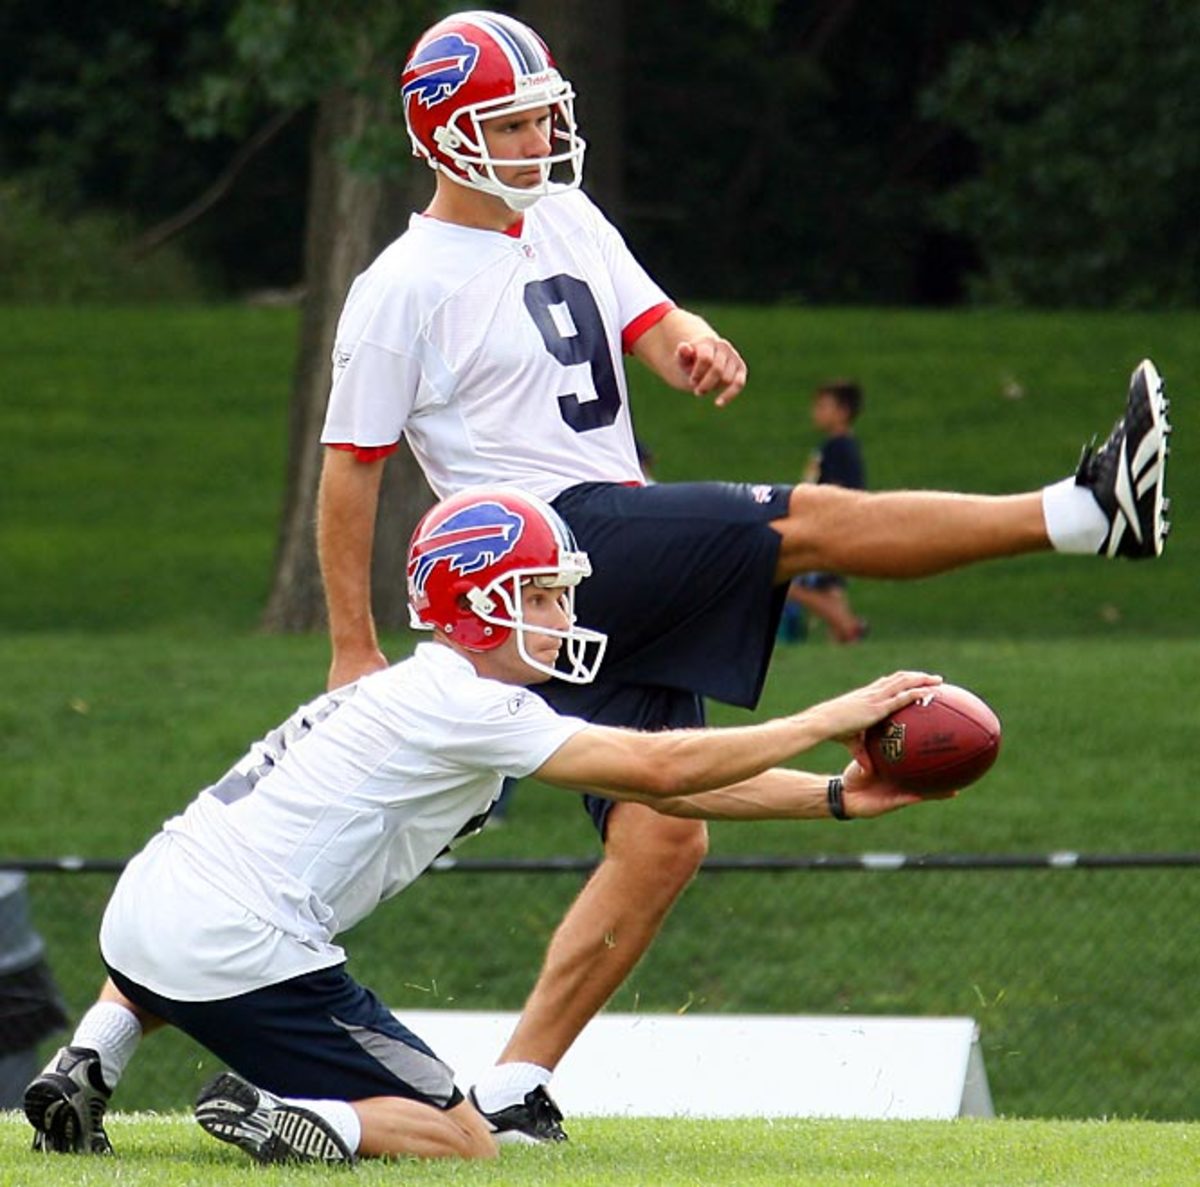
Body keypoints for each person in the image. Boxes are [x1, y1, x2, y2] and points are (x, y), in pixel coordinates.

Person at [316, 9, 1172, 1140]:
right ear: (445, 136)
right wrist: (351, 644)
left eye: (541, 118)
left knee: (664, 831)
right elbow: (351, 473)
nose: (536, 142)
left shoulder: (564, 212)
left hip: (585, 570)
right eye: (511, 125)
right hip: (546, 537)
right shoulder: (399, 286)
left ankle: (515, 1083)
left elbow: (650, 322)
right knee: (803, 522)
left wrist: (693, 344)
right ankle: (1081, 513)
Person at [24, 488, 948, 1163]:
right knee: (463, 1142)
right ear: (478, 602)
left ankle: (88, 1062)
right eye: (541, 595)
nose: (562, 615)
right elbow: (663, 765)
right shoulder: (469, 705)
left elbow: (662, 792)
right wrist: (833, 712)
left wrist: (835, 793)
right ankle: (295, 1117)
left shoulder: (430, 691)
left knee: (191, 928)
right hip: (235, 942)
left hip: (147, 905)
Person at [781, 380, 869, 644]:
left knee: (791, 584)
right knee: (829, 589)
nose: (816, 412)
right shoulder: (834, 446)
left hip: (829, 526)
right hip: (831, 525)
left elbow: (841, 490)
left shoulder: (839, 448)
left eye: (823, 406)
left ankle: (850, 627)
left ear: (842, 411)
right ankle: (845, 638)